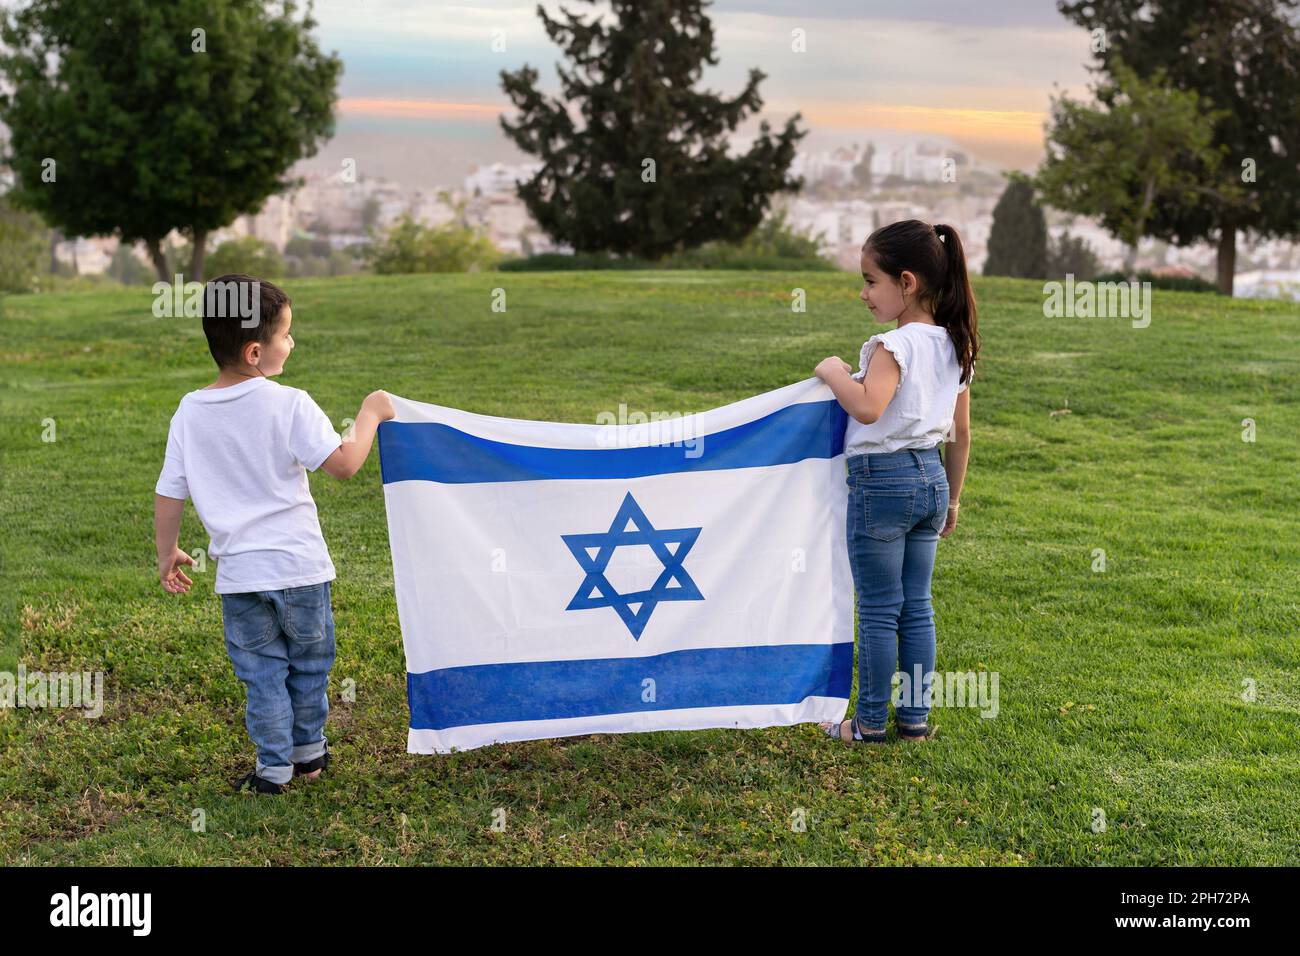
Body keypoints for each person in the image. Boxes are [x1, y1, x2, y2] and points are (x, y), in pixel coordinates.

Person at [153, 273, 395, 793]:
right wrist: (370, 411)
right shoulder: (290, 403)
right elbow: (345, 464)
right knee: (308, 668)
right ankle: (310, 753)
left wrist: (167, 551)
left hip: (240, 578)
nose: (293, 342)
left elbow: (169, 492)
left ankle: (273, 769)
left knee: (262, 677)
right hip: (301, 570)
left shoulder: (189, 412)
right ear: (257, 351)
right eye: (287, 334)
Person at [813, 220, 977, 744]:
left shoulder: (892, 345)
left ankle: (867, 725)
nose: (863, 294)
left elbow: (867, 407)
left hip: (883, 482)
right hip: (930, 479)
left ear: (907, 282)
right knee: (917, 606)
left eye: (869, 281)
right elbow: (962, 433)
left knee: (880, 611)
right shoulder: (955, 343)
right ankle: (914, 720)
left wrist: (833, 371)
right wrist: (952, 499)